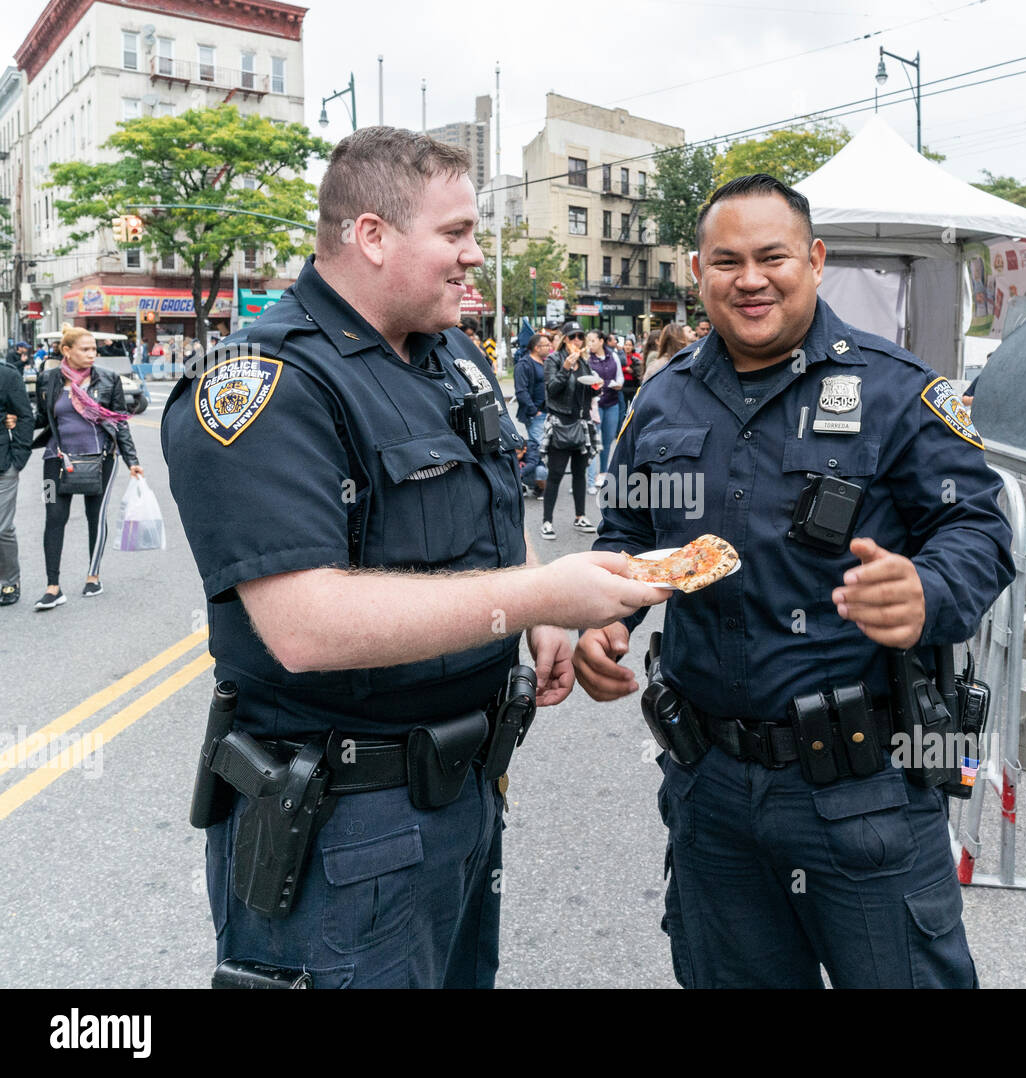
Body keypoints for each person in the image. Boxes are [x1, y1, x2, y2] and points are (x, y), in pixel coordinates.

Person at [160, 128, 666, 990]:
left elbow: (489, 517)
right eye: (457, 233)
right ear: (372, 236)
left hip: (464, 795)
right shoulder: (262, 381)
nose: (476, 257)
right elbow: (306, 626)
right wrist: (535, 592)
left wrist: (539, 609)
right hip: (340, 830)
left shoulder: (453, 358)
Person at [572, 173, 1015, 989]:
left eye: (772, 256)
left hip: (862, 794)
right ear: (697, 270)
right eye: (726, 260)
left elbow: (979, 527)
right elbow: (628, 533)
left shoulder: (898, 387)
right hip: (709, 789)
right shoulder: (662, 399)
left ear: (814, 260)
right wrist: (607, 622)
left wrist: (928, 589)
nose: (751, 279)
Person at [32, 325, 145, 609]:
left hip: (101, 460)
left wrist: (133, 461)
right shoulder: (48, 379)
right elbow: (40, 418)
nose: (92, 354)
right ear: (66, 351)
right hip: (55, 461)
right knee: (53, 517)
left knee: (96, 517)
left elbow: (119, 422)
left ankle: (93, 576)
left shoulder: (108, 379)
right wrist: (13, 422)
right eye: (85, 349)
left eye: (94, 349)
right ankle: (53, 586)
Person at [539, 322, 600, 540]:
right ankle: (547, 521)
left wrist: (596, 386)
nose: (577, 341)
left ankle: (580, 516)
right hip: (561, 424)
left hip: (581, 423)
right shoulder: (554, 360)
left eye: (580, 337)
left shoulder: (583, 362)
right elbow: (552, 390)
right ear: (565, 339)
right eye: (573, 337)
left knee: (580, 474)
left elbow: (589, 390)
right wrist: (565, 368)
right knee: (555, 475)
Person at [0, 358, 34, 606]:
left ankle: (9, 581)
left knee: (1, 528)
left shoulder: (7, 375)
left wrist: (18, 458)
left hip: (3, 464)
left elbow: (24, 416)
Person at [584, 330, 623, 493]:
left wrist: (617, 384)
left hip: (612, 404)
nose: (590, 344)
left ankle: (603, 474)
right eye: (588, 341)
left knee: (607, 442)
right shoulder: (586, 359)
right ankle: (590, 480)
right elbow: (586, 381)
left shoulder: (612, 356)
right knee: (593, 443)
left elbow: (620, 377)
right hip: (594, 406)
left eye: (593, 341)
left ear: (601, 341)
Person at [514, 331, 550, 497]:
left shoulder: (543, 362)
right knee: (540, 449)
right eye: (546, 345)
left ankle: (538, 481)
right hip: (535, 414)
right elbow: (521, 391)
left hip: (546, 413)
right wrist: (533, 411)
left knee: (544, 449)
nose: (549, 348)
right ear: (536, 347)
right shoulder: (524, 364)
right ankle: (535, 481)